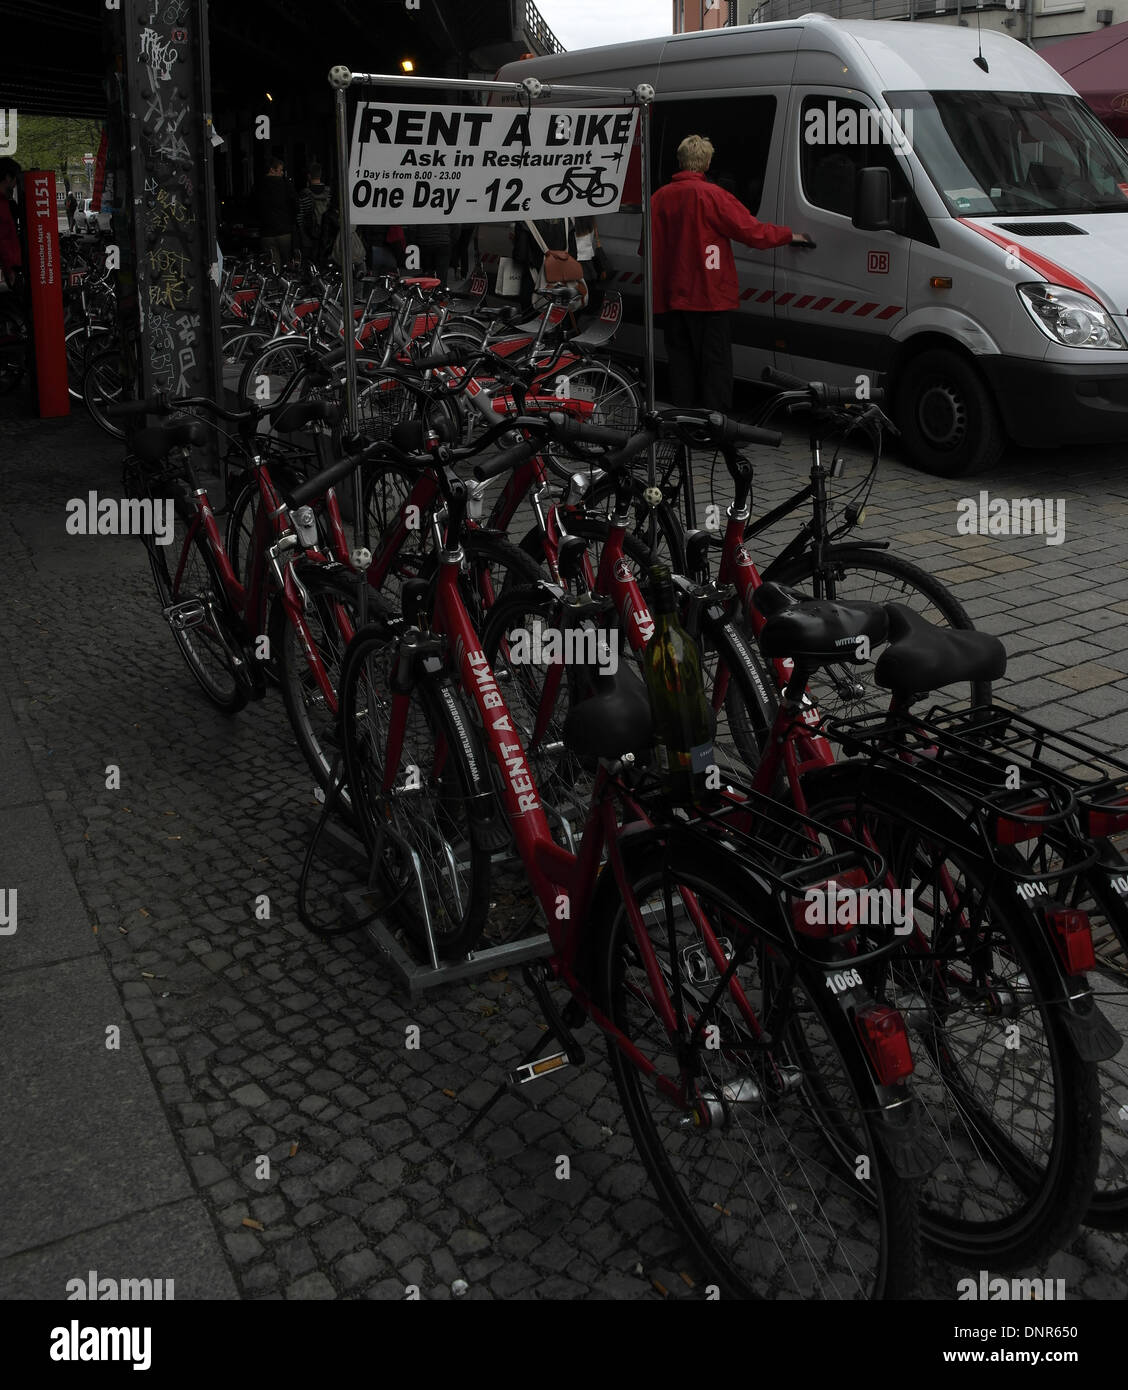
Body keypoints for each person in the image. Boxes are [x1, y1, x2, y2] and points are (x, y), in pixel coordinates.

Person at [650, 134, 814, 413]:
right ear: (706, 162)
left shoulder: (659, 198)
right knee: (715, 363)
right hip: (709, 297)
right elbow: (752, 232)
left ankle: (684, 421)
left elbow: (648, 248)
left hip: (673, 297)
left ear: (680, 160)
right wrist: (790, 235)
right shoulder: (714, 196)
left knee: (681, 362)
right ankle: (715, 424)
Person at [257, 156, 298, 272]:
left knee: (273, 266)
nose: (282, 173)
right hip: (284, 230)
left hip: (267, 232)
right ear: (272, 170)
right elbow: (295, 205)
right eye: (280, 170)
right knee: (288, 264)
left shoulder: (259, 186)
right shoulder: (286, 185)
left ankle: (276, 287)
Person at [297, 162, 331, 262]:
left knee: (310, 263)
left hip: (309, 235)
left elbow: (300, 217)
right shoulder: (329, 193)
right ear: (320, 175)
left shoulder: (304, 194)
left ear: (309, 176)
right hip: (327, 235)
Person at [0, 157, 22, 288]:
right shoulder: (1, 205)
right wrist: (9, 270)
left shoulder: (5, 203)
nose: (15, 186)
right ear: (8, 177)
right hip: (6, 274)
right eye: (15, 180)